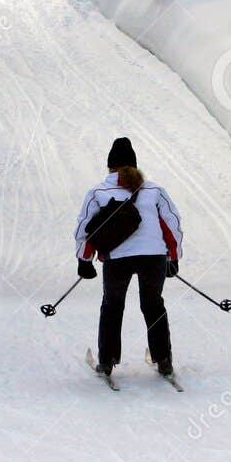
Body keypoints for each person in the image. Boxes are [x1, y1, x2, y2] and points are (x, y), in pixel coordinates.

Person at [73, 137, 184, 378]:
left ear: (110, 167)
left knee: (112, 306)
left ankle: (107, 361)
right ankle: (164, 359)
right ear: (134, 165)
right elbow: (172, 224)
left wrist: (84, 260)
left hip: (117, 258)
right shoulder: (154, 190)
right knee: (153, 305)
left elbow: (85, 228)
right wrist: (173, 257)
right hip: (153, 257)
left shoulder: (98, 192)